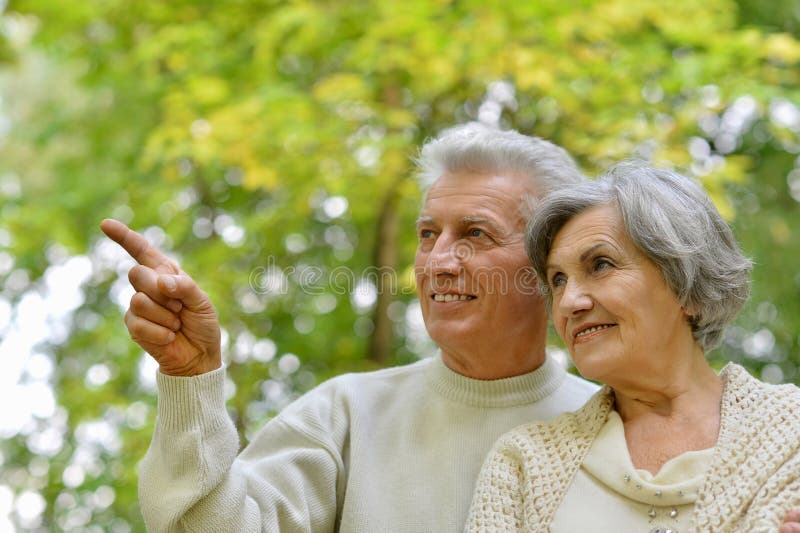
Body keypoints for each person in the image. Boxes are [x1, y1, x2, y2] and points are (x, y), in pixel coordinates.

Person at [100, 123, 600, 532]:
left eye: (475, 233)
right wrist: (192, 377)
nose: (438, 262)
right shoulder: (344, 416)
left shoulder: (611, 423)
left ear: (549, 265)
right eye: (428, 234)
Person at [465, 162, 800, 532]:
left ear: (687, 285)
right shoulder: (522, 466)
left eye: (600, 265)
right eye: (557, 280)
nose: (569, 302)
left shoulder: (792, 435)